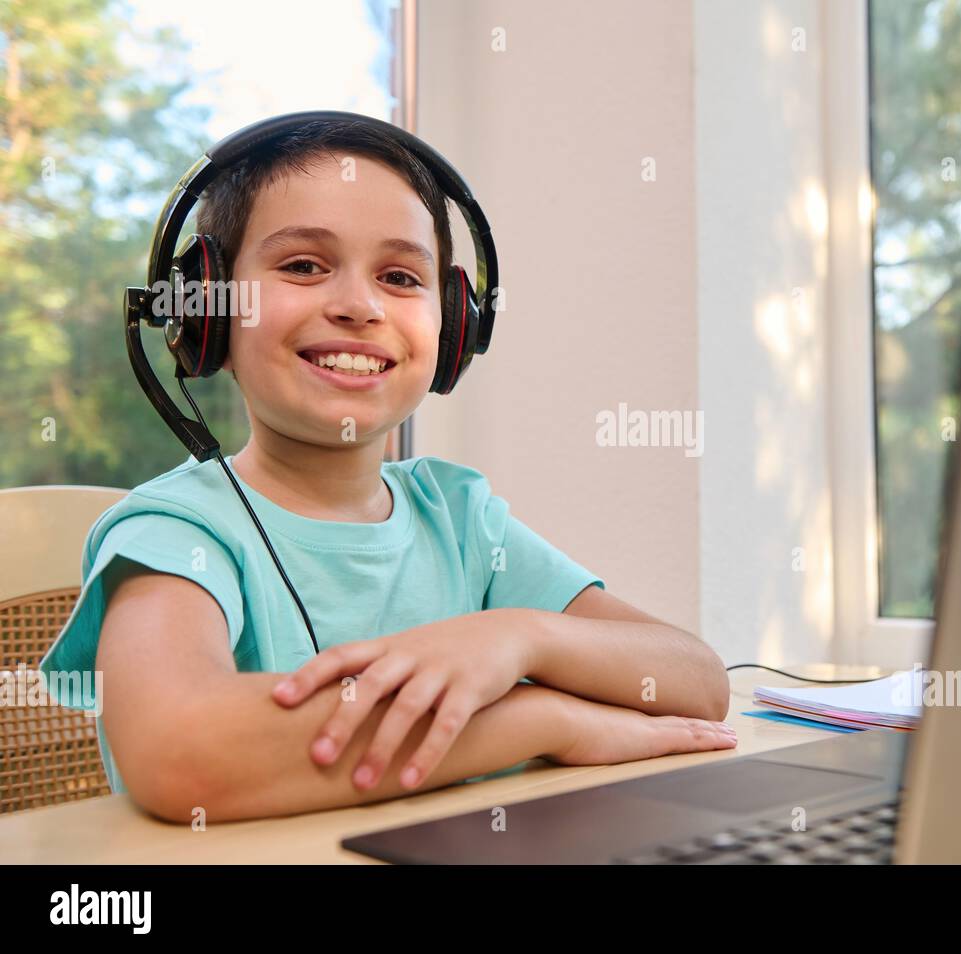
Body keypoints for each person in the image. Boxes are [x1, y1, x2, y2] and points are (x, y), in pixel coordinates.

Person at [39, 119, 734, 823]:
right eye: (304, 266)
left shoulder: (458, 516)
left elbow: (694, 680)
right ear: (206, 306)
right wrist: (543, 720)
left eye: (400, 277)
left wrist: (522, 635)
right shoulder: (175, 533)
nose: (358, 306)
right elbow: (179, 751)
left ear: (455, 323)